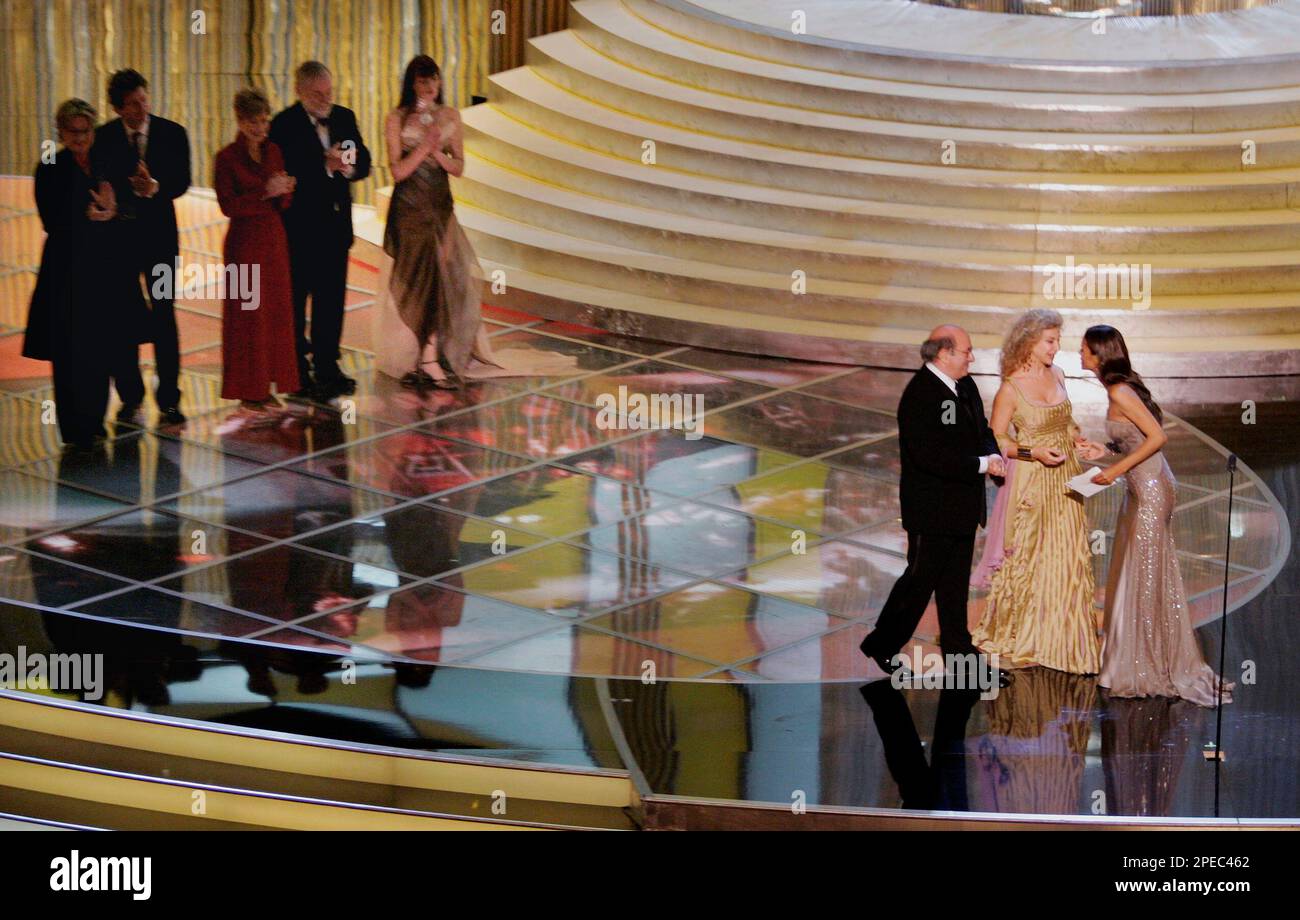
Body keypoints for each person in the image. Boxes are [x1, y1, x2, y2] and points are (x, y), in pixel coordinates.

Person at [372, 55, 577, 387]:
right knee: (416, 284)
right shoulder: (396, 118)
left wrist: (437, 151)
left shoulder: (450, 116)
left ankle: (430, 357)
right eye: (423, 81)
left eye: (434, 80)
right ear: (412, 83)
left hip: (439, 208)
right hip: (409, 211)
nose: (430, 87)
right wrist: (425, 147)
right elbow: (398, 172)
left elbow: (459, 167)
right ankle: (418, 357)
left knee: (443, 278)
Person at [1081, 325, 1232, 707]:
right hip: (1142, 487)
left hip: (1151, 490)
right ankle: (1136, 656)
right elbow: (1133, 437)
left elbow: (1157, 437)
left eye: (1084, 349)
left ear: (1100, 354)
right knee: (1137, 570)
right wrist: (1106, 449)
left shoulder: (1119, 390)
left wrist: (1114, 470)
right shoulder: (1116, 390)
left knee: (1145, 573)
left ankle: (1146, 663)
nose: (1079, 354)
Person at [859, 324, 1004, 674]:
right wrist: (982, 463)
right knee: (919, 582)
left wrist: (993, 453)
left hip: (962, 507)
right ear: (943, 353)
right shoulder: (921, 395)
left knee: (954, 589)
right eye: (966, 351)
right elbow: (931, 457)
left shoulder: (965, 386)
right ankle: (882, 644)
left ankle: (961, 658)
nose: (972, 356)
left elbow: (982, 429)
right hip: (931, 510)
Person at [970, 309, 1101, 675]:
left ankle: (1061, 635)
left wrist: (1081, 442)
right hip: (1031, 481)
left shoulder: (1058, 374)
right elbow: (995, 440)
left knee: (1066, 555)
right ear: (1028, 341)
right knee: (1029, 557)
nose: (1057, 348)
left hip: (1066, 478)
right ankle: (1022, 634)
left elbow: (1067, 423)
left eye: (1057, 340)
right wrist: (1034, 452)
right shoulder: (1011, 388)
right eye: (1050, 341)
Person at [23, 99, 148, 450]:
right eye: (73, 132)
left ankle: (94, 420)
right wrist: (87, 213)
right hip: (68, 272)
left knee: (102, 347)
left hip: (107, 270)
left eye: (86, 131)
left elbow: (131, 206)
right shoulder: (50, 165)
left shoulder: (108, 160)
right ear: (60, 132)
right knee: (70, 352)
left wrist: (113, 211)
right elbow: (51, 218)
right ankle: (75, 429)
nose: (80, 138)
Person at [92, 68, 191, 426]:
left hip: (161, 241)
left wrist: (156, 187)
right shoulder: (103, 138)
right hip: (119, 243)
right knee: (122, 318)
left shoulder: (172, 133)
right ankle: (130, 395)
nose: (142, 107)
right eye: (133, 103)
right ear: (119, 109)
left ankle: (169, 399)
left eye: (144, 98)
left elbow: (182, 180)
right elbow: (99, 180)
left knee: (164, 313)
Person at [269, 61, 371, 401]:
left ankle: (328, 365)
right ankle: (297, 371)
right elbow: (286, 174)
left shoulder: (344, 117)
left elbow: (364, 162)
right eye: (318, 94)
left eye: (329, 92)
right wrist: (323, 168)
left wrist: (348, 165)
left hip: (336, 226)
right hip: (299, 228)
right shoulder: (283, 125)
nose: (326, 98)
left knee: (332, 302)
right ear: (300, 91)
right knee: (297, 301)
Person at [213, 88, 299, 412]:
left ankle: (268, 384)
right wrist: (265, 192)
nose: (260, 128)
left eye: (264, 121)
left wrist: (285, 190)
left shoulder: (274, 150)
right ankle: (249, 389)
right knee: (246, 315)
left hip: (273, 241)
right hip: (243, 244)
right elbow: (227, 205)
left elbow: (282, 201)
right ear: (239, 120)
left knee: (273, 314)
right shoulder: (225, 158)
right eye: (253, 122)